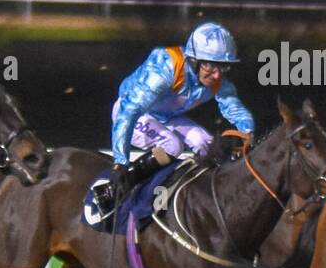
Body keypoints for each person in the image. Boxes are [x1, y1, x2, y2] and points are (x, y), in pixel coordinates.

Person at [106, 22, 255, 203]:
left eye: (222, 66)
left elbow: (234, 108)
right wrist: (120, 162)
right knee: (173, 144)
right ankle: (128, 183)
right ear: (194, 60)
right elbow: (128, 111)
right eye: (210, 66)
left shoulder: (216, 79)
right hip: (131, 113)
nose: (216, 75)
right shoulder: (166, 69)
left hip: (166, 117)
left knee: (207, 145)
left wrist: (248, 133)